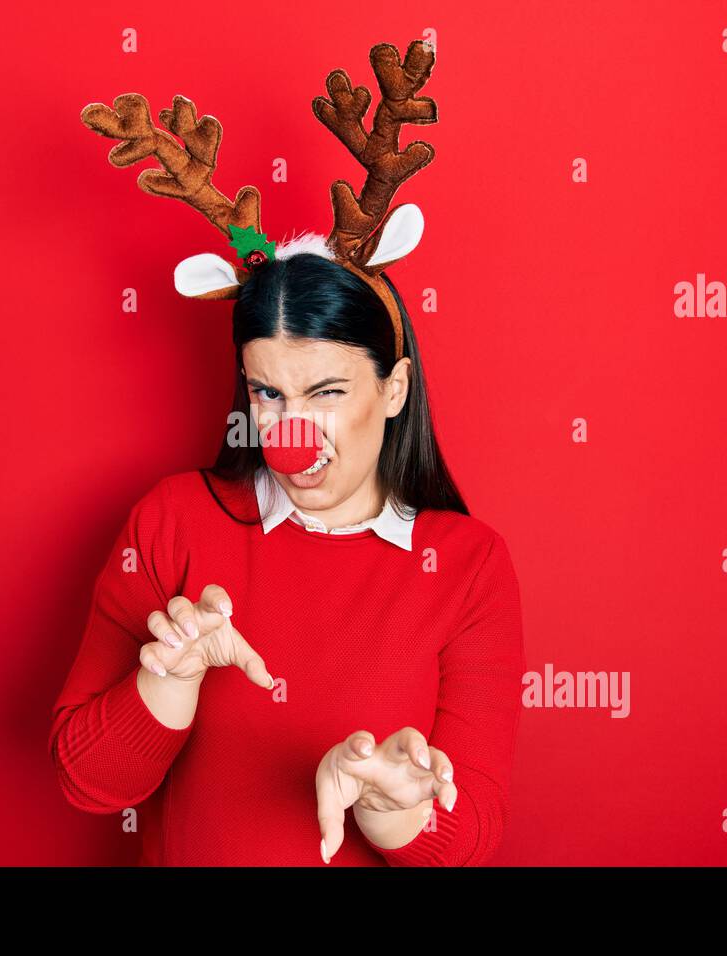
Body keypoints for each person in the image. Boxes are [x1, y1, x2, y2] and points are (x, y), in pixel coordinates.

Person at [52, 37, 524, 865]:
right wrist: (168, 680)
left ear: (395, 390)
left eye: (328, 393)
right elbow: (89, 783)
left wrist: (388, 802)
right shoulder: (172, 521)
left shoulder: (467, 566)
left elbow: (470, 843)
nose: (290, 433)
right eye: (268, 393)